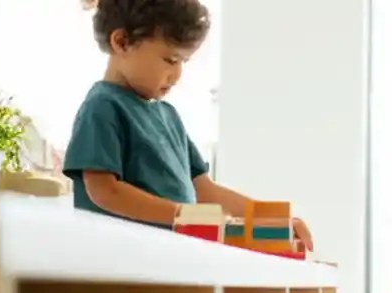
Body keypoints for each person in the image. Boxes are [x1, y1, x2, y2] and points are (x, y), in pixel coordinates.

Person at [65, 0, 312, 248]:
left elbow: (205, 191)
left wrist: (276, 220)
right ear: (121, 42)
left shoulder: (168, 116)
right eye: (171, 60)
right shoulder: (102, 107)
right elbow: (105, 192)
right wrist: (186, 216)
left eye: (184, 62)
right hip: (121, 262)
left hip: (170, 259)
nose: (177, 75)